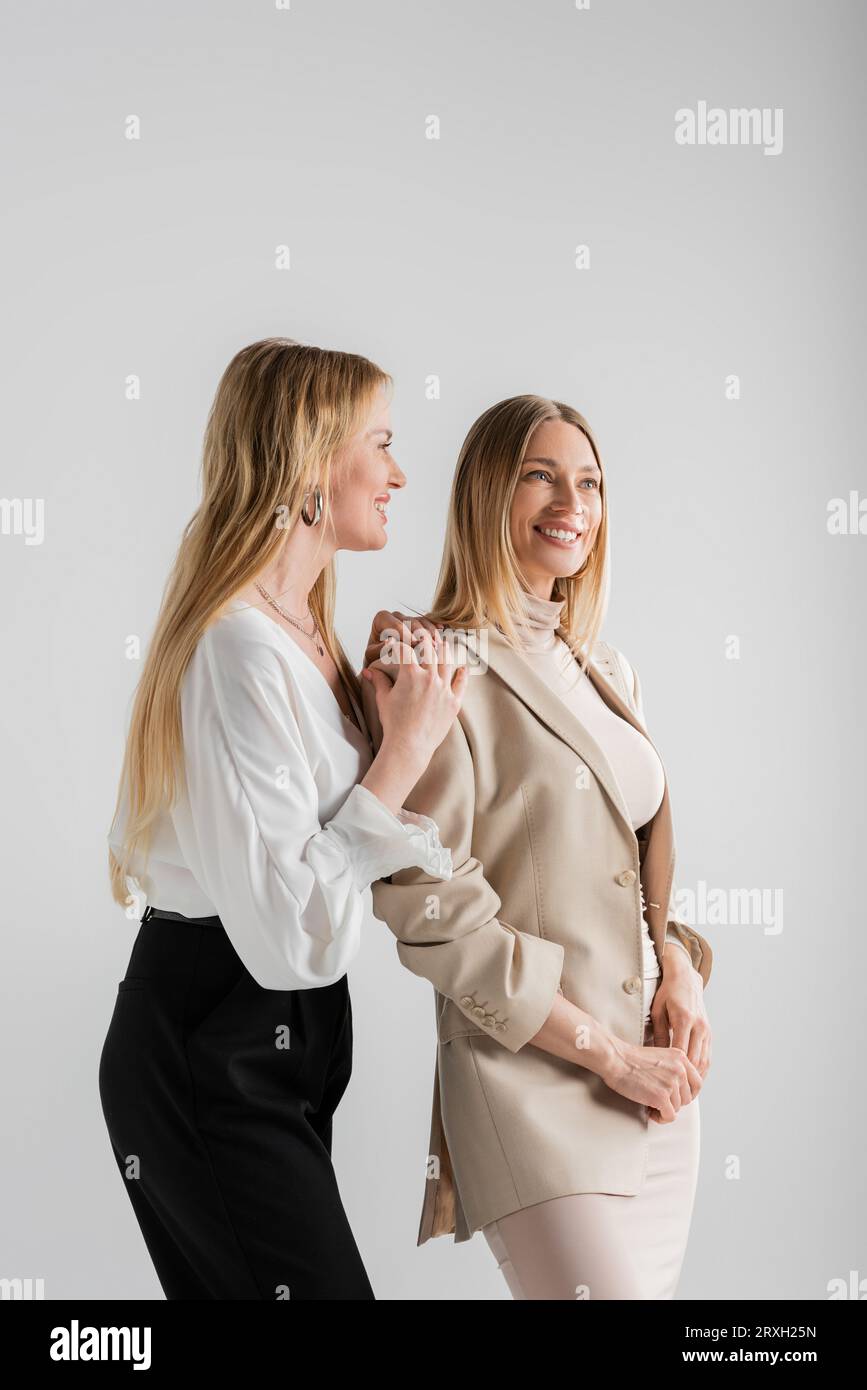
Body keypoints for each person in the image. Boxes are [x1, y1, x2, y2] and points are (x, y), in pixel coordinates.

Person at [99, 337, 466, 1300]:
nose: (396, 473)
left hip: (277, 1040)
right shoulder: (238, 650)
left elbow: (332, 866)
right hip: (217, 1036)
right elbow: (289, 941)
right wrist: (399, 759)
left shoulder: (302, 631)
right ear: (309, 459)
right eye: (378, 443)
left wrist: (392, 723)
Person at [363, 394, 713, 1299]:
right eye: (541, 476)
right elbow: (433, 914)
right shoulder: (432, 664)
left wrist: (679, 966)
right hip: (535, 1082)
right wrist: (607, 1054)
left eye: (589, 482)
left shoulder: (609, 669)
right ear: (488, 493)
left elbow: (629, 869)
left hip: (657, 1088)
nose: (573, 502)